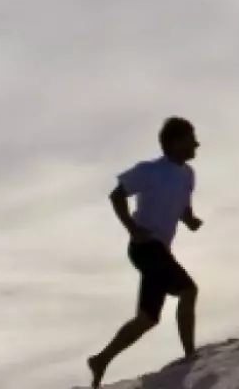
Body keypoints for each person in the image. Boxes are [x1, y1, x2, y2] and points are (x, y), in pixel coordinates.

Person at [87, 118, 203, 388]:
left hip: (159, 249)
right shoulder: (149, 170)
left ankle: (101, 359)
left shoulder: (188, 175)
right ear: (175, 142)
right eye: (190, 138)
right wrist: (132, 229)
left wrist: (190, 219)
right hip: (144, 246)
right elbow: (117, 196)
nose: (196, 143)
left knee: (147, 318)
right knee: (188, 290)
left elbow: (183, 206)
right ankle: (190, 355)